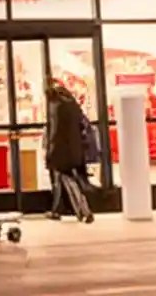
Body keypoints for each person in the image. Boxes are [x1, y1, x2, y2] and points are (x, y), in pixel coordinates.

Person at [45, 83, 93, 223]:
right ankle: (57, 210)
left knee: (66, 180)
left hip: (60, 152)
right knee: (61, 181)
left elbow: (55, 133)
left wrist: (50, 151)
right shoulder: (73, 106)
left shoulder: (56, 108)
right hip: (75, 150)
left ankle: (83, 210)